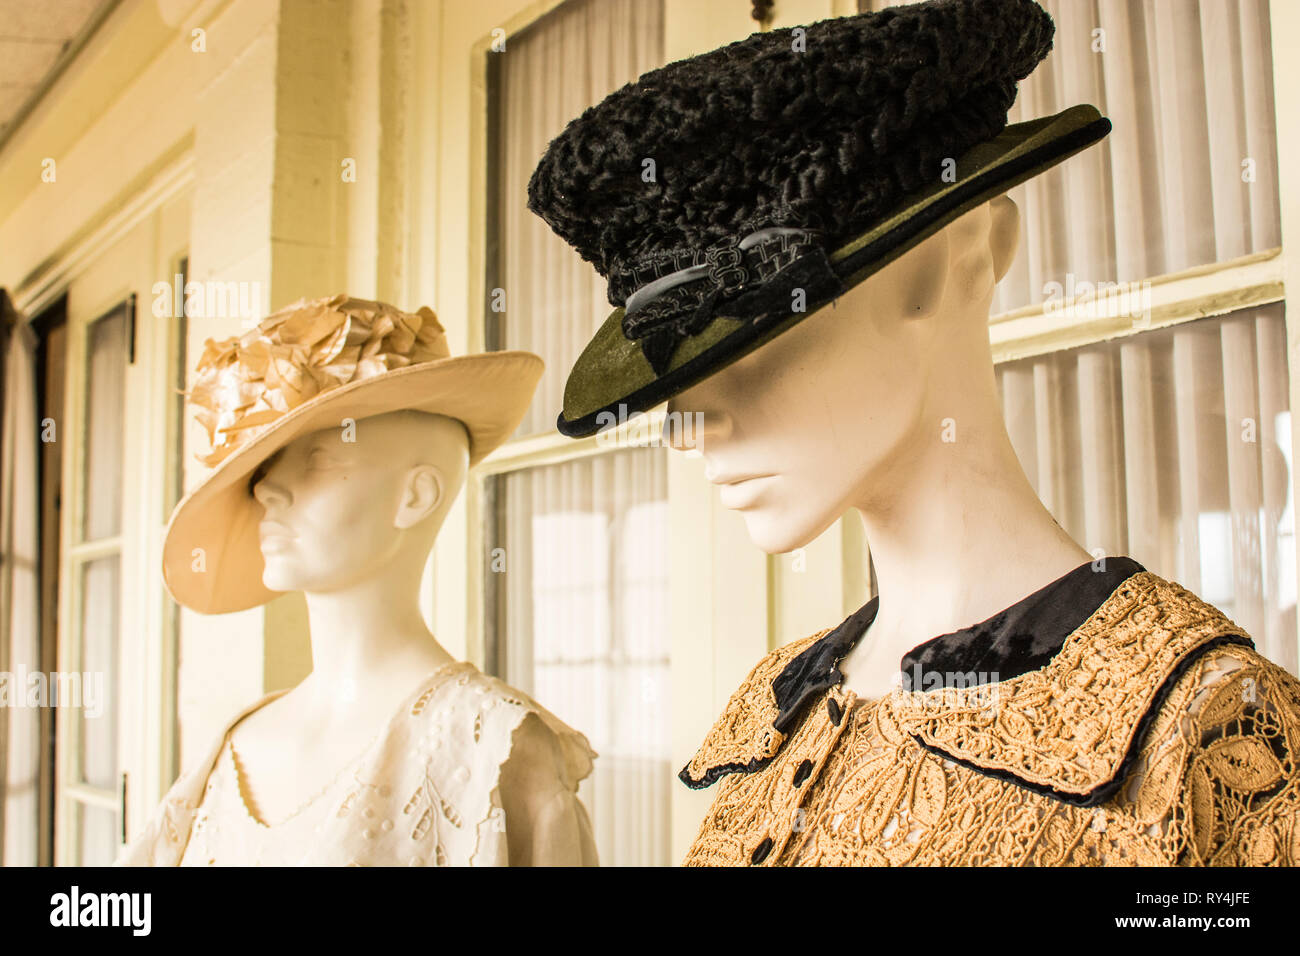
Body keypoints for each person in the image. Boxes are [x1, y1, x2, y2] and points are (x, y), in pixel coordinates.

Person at [527, 0, 1300, 865]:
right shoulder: (773, 711)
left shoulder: (1208, 736)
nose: (692, 425)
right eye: (674, 373)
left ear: (954, 266)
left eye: (748, 344)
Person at [116, 294, 598, 866]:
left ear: (415, 496)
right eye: (267, 466)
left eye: (317, 462)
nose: (267, 490)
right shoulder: (233, 748)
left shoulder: (493, 754)